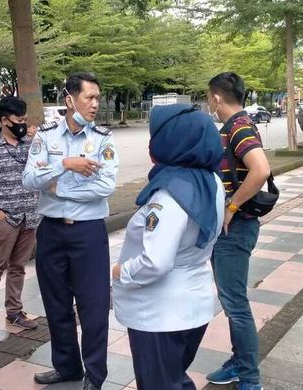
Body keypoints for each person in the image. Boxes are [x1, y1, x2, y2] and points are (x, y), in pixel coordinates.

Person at [111, 103, 225, 390]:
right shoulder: (211, 180)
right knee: (174, 380)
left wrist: (119, 271)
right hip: (192, 305)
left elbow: (155, 262)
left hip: (159, 315)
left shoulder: (170, 195)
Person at [22, 72, 119, 390]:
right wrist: (65, 164)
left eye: (97, 98)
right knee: (56, 303)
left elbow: (105, 186)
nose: (95, 104)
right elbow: (29, 179)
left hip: (88, 233)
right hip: (50, 232)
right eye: (89, 97)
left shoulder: (103, 138)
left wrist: (58, 189)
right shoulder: (46, 137)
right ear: (69, 100)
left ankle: (95, 375)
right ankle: (67, 367)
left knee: (93, 307)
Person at [205, 72, 271, 390]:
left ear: (216, 98)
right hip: (233, 228)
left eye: (209, 98)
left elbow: (260, 169)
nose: (209, 104)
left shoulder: (238, 125)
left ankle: (250, 377)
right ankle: (238, 362)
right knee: (232, 300)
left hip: (237, 227)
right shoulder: (237, 124)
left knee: (235, 302)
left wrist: (231, 207)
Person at [0, 96, 40, 341]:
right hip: (3, 219)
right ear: (4, 120)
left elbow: (44, 168)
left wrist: (38, 140)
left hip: (29, 218)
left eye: (25, 119)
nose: (22, 124)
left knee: (18, 268)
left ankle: (14, 311)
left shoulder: (30, 143)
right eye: (18, 119)